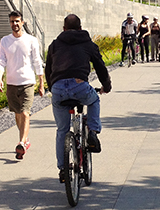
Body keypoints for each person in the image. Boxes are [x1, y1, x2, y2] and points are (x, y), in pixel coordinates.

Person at [45, 14, 112, 183]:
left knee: (62, 130)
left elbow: (48, 69)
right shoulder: (88, 43)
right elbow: (100, 67)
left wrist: (52, 87)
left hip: (58, 88)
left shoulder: (55, 44)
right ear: (81, 28)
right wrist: (107, 86)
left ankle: (63, 169)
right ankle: (93, 131)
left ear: (64, 29)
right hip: (79, 86)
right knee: (94, 99)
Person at [0, 10, 45, 160]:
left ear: (22, 22)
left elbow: (37, 61)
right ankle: (25, 139)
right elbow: (1, 60)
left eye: (17, 21)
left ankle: (22, 142)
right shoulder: (5, 41)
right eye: (12, 21)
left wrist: (41, 83)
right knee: (17, 114)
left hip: (28, 83)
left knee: (25, 113)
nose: (14, 24)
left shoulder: (31, 40)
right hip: (11, 83)